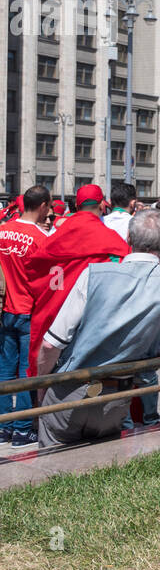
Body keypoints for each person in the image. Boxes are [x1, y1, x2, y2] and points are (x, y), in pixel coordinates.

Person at [36, 210, 160, 447]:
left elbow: (50, 344)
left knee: (52, 468)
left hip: (70, 389)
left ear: (128, 238)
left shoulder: (94, 273)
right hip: (117, 396)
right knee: (102, 464)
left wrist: (40, 387)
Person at [23, 184, 129, 382]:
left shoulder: (55, 236)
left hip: (54, 318)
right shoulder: (110, 238)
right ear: (101, 205)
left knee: (48, 382)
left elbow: (33, 268)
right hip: (92, 323)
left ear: (77, 206)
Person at [0, 185, 52, 445]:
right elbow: (49, 281)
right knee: (26, 370)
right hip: (29, 311)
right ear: (42, 205)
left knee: (5, 370)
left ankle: (3, 426)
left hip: (5, 310)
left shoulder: (1, 230)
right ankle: (22, 429)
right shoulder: (41, 239)